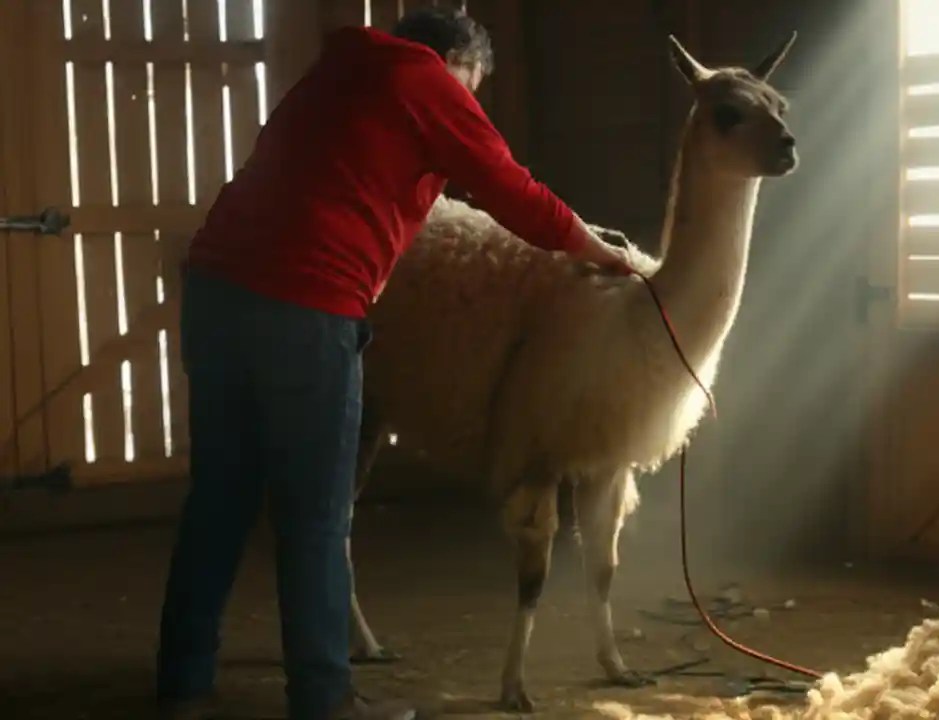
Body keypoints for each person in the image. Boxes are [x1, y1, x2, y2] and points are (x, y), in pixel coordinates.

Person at [154, 8, 631, 720]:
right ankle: (324, 701)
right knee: (315, 515)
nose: (466, 106)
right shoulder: (424, 80)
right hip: (308, 304)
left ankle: (182, 684)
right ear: (453, 62)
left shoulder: (338, 75)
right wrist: (597, 250)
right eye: (470, 89)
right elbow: (509, 188)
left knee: (220, 498)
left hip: (218, 295)